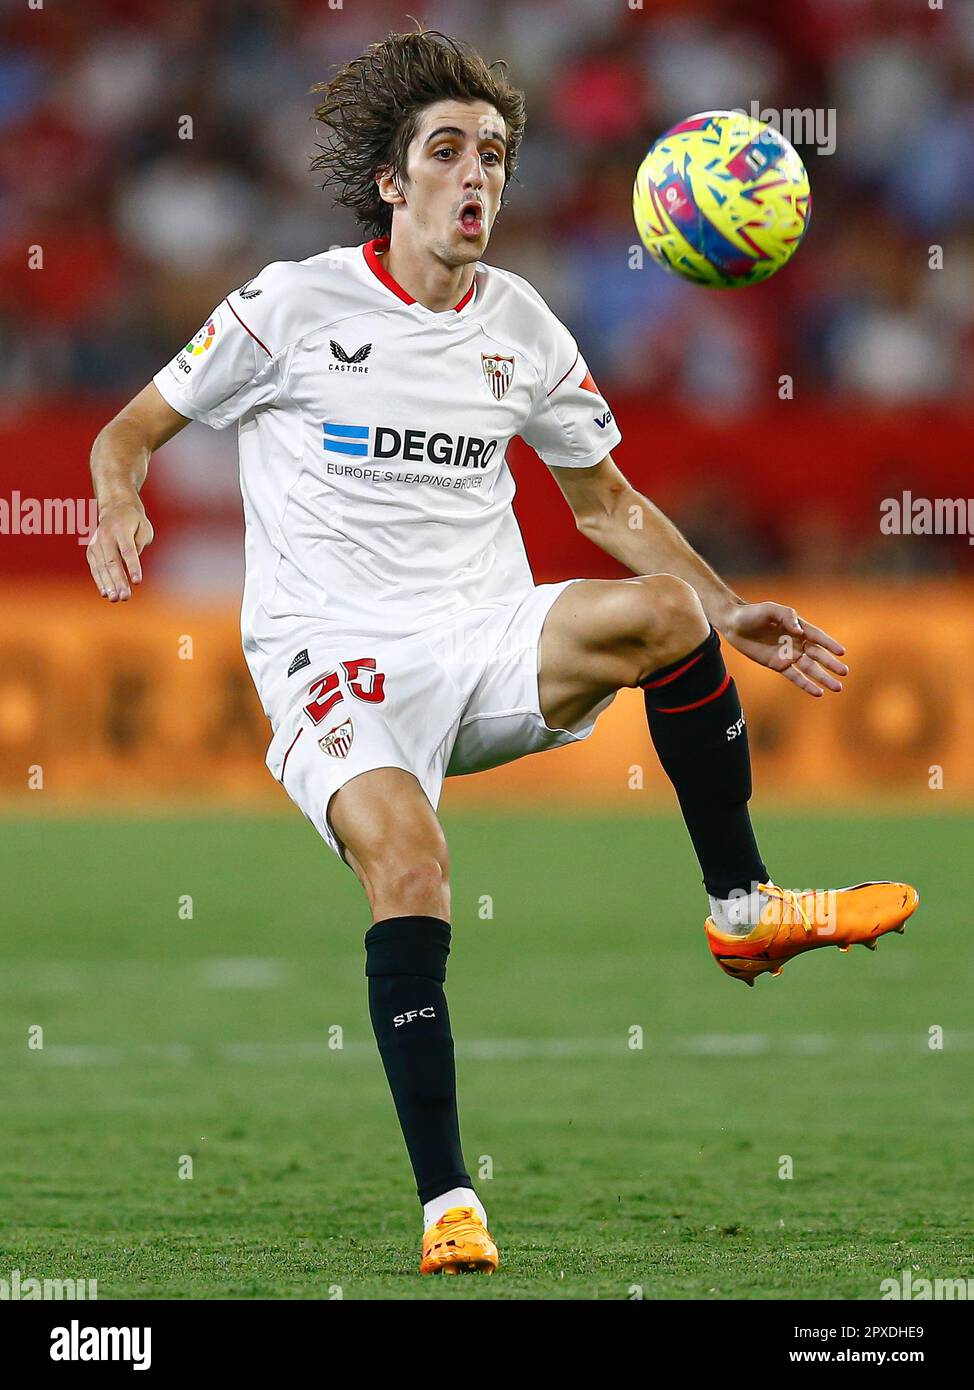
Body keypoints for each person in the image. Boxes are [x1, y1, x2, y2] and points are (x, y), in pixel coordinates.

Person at [86, 25, 918, 1277]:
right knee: (412, 868)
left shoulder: (520, 324)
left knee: (666, 618)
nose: (476, 174)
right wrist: (115, 491)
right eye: (448, 150)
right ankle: (447, 1204)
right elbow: (127, 429)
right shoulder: (290, 304)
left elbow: (608, 508)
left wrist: (728, 604)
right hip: (333, 663)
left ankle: (741, 907)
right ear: (391, 178)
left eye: (494, 155)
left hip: (481, 636)